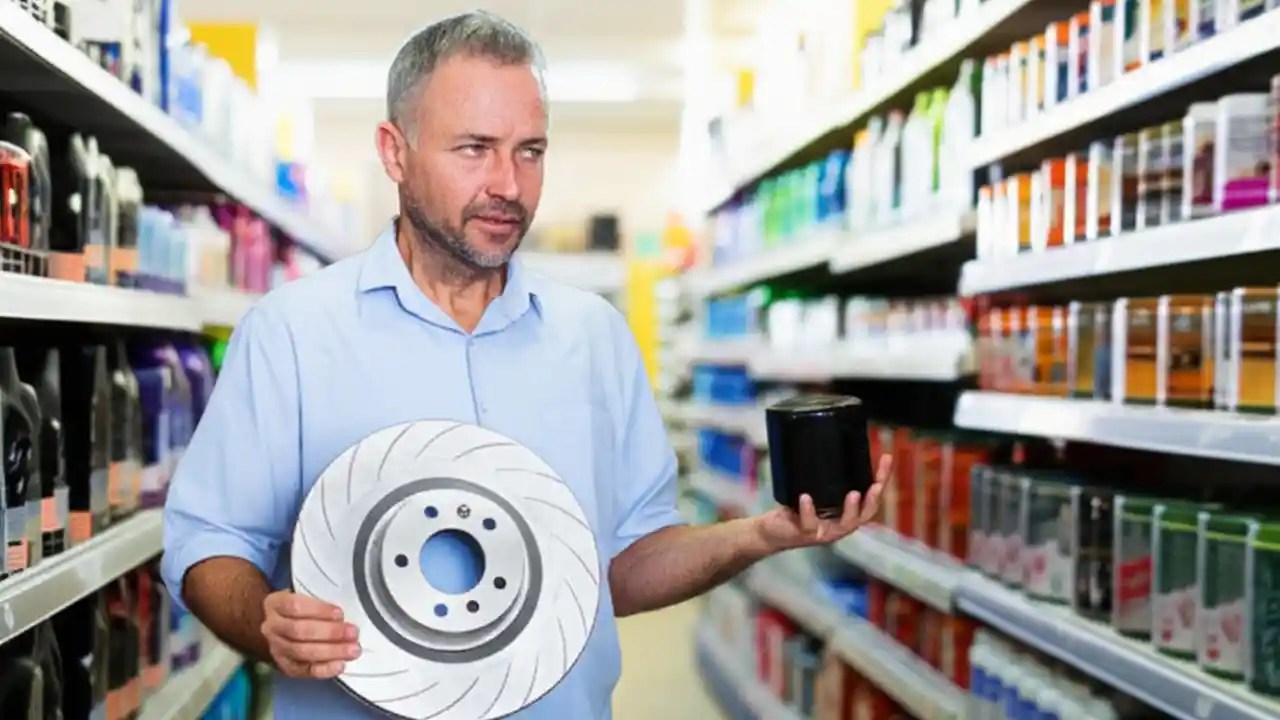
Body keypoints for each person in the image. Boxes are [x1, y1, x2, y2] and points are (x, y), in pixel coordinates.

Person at [161, 10, 889, 720]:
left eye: (530, 150)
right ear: (395, 151)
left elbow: (621, 568)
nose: (508, 184)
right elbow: (209, 541)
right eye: (474, 148)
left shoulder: (594, 340)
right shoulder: (291, 334)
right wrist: (265, 621)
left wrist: (760, 536)